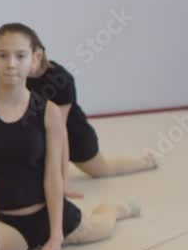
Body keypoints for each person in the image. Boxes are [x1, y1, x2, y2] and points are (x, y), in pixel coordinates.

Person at [0, 23, 140, 250]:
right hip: (6, 222)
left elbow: (53, 178)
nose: (11, 63)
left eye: (20, 56)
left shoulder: (48, 112)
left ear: (35, 58)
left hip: (49, 214)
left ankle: (116, 209)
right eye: (3, 55)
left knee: (103, 228)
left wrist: (55, 238)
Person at [26, 36, 157, 196]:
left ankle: (147, 163)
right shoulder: (24, 76)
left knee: (103, 170)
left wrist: (64, 184)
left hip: (77, 137)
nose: (17, 64)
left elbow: (61, 133)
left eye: (24, 57)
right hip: (46, 133)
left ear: (39, 55)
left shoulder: (61, 79)